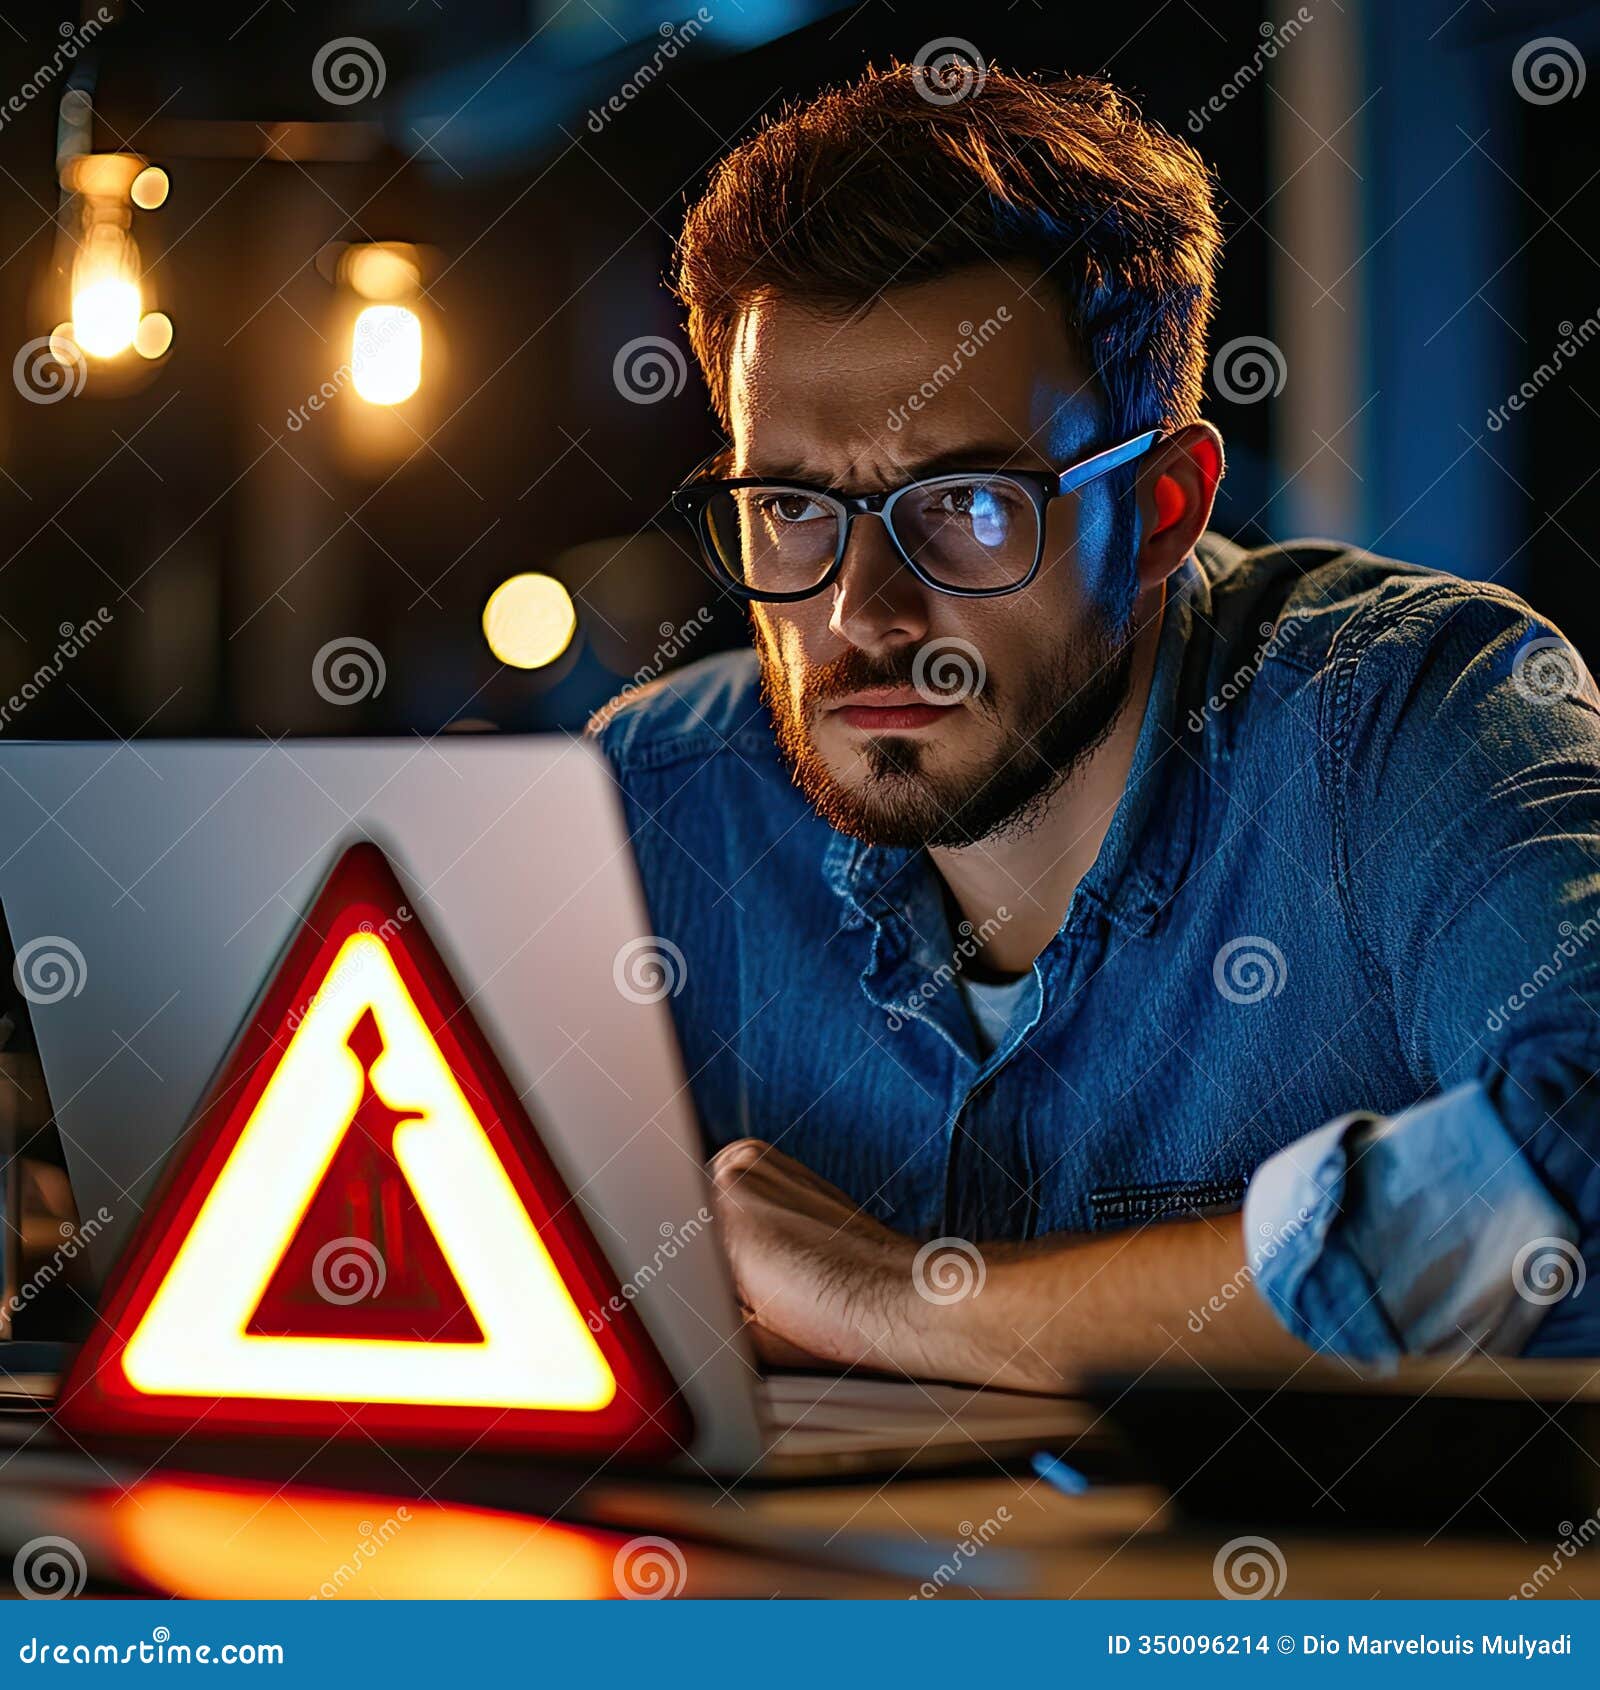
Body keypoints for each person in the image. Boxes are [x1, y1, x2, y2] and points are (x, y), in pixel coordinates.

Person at [590, 62, 1600, 1388]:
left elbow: (1583, 1157)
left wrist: (898, 1301)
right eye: (790, 507)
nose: (859, 612)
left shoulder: (1401, 720)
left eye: (967, 505)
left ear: (1163, 511)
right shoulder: (646, 807)